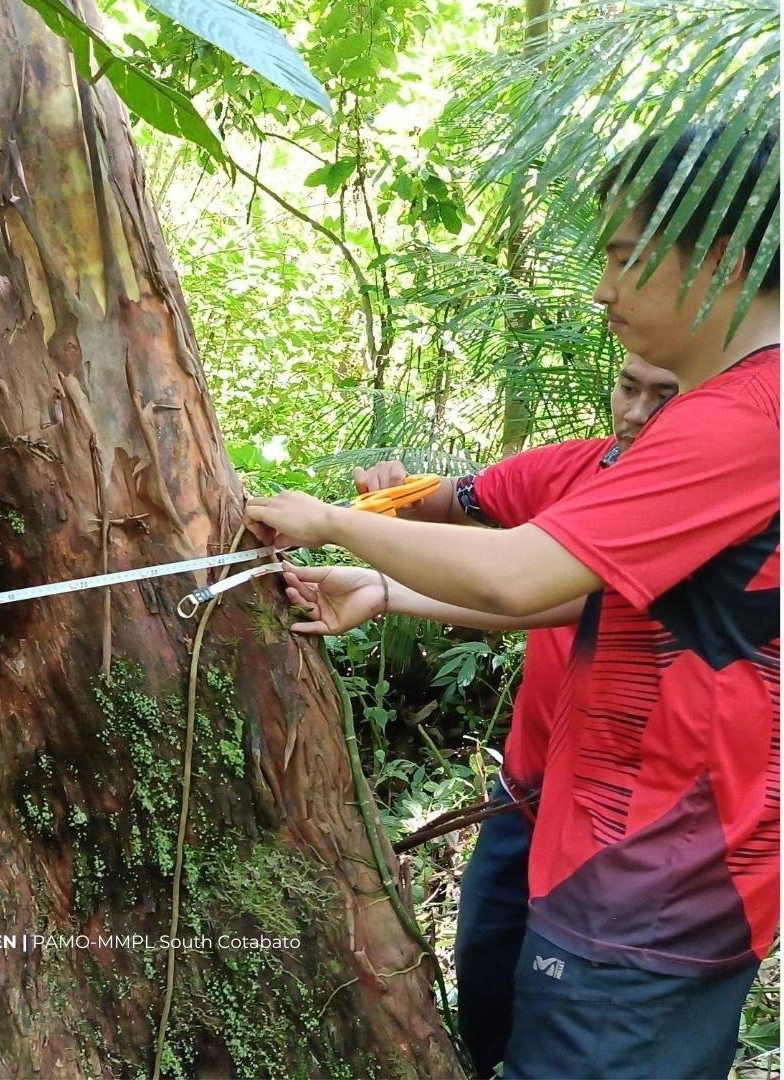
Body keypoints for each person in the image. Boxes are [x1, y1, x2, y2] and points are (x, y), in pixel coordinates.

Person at [248, 123, 779, 1078]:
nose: (603, 290)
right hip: (608, 845)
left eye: (624, 257)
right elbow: (580, 598)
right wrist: (382, 565)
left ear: (724, 258)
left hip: (655, 882)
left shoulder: (749, 420)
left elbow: (519, 574)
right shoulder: (711, 419)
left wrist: (330, 517)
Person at [319, 353, 678, 1078]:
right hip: (525, 791)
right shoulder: (578, 468)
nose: (635, 413)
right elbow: (449, 503)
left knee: (578, 1032)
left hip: (632, 828)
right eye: (627, 387)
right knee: (487, 978)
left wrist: (343, 542)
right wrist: (397, 497)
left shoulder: (707, 507)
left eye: (664, 396)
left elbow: (540, 589)